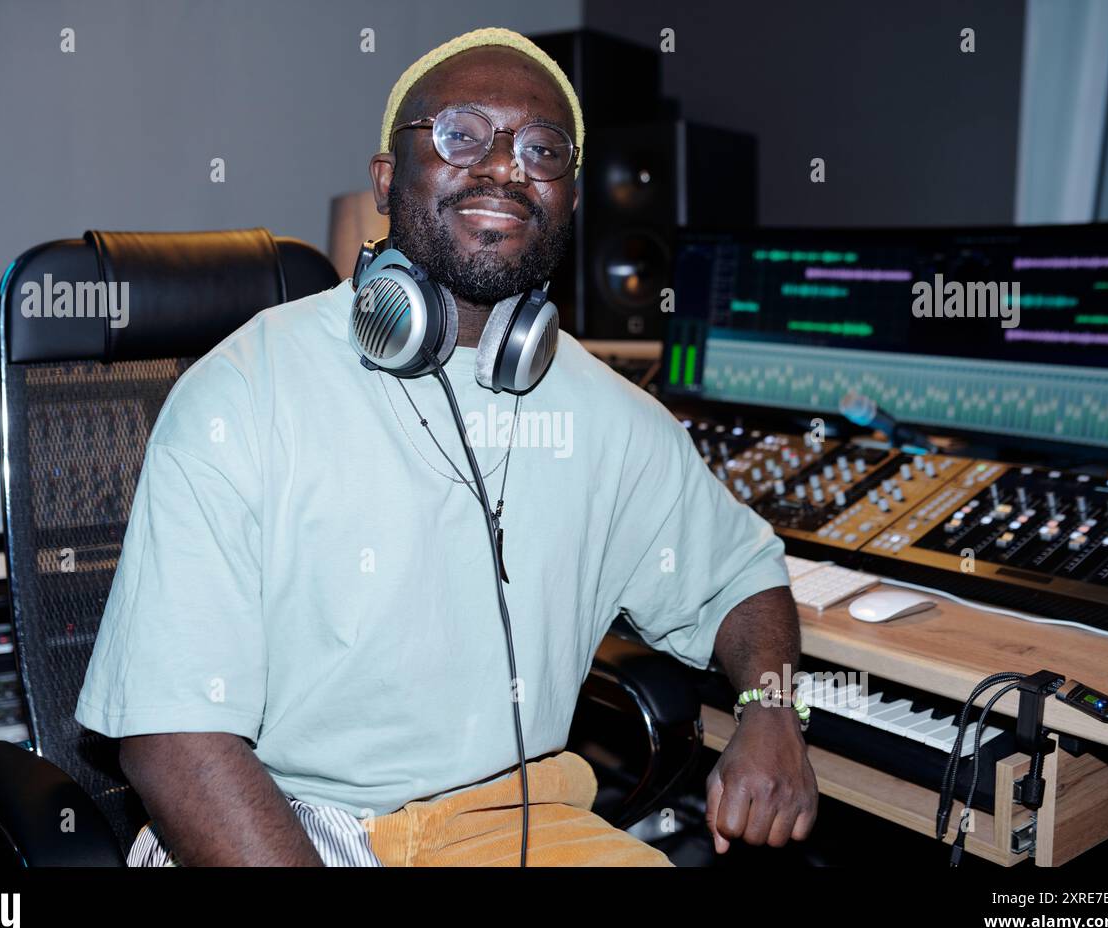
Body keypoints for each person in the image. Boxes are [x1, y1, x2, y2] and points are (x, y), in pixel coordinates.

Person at [76, 26, 817, 867]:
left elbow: (743, 577)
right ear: (389, 179)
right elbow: (172, 741)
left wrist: (771, 709)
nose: (505, 168)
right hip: (278, 819)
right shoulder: (242, 392)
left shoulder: (615, 421)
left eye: (544, 151)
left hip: (516, 822)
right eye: (462, 135)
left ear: (571, 198)